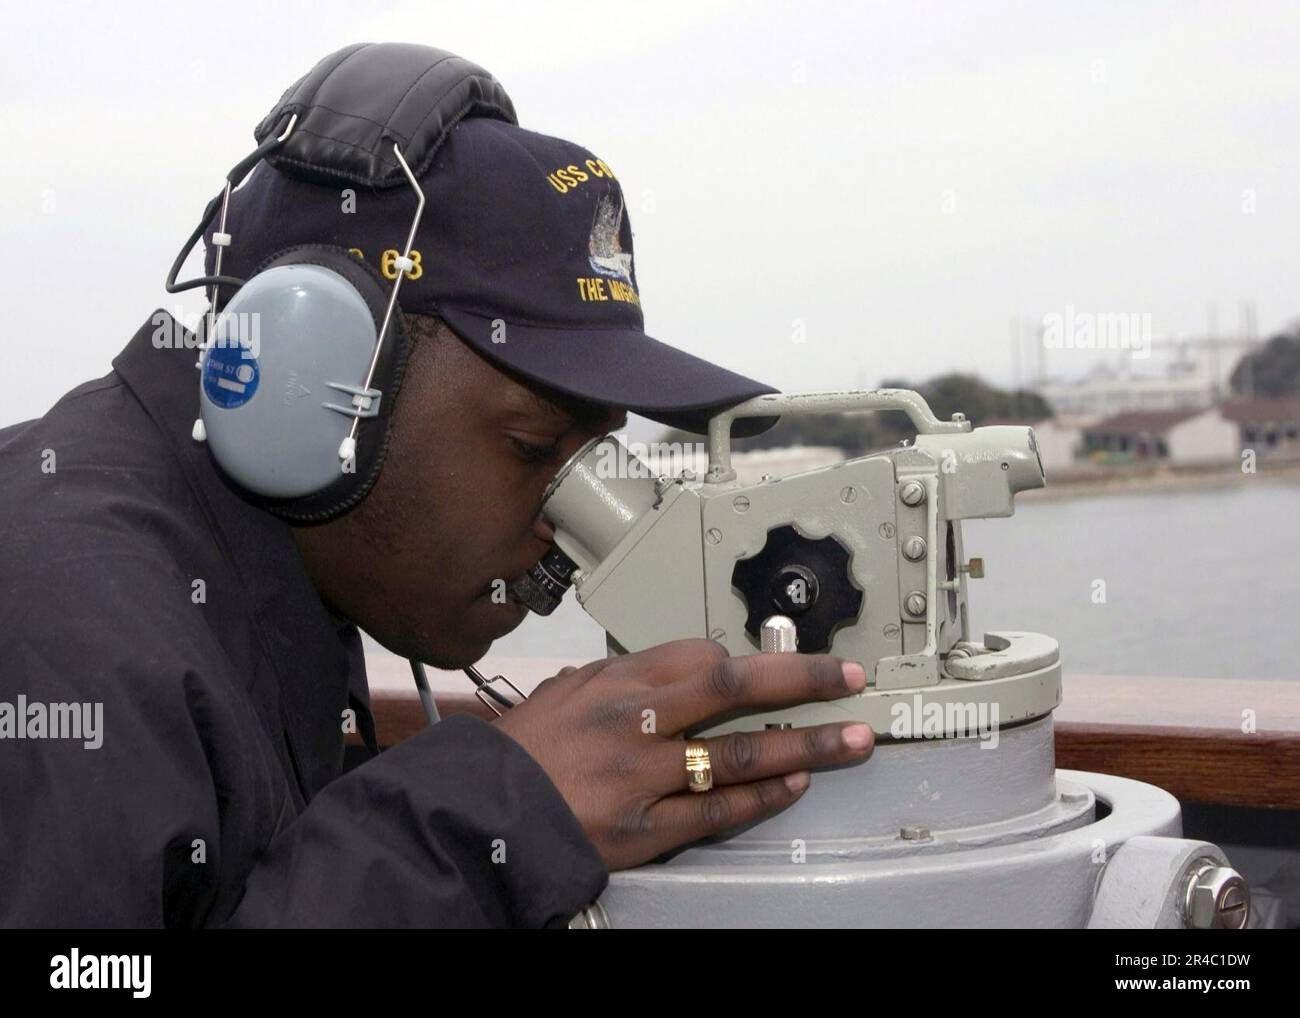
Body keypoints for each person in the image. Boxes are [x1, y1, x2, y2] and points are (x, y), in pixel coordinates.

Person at [0, 44, 874, 928]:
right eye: (536, 450)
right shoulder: (74, 631)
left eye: (599, 459)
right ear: (305, 388)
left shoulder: (251, 586)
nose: (572, 540)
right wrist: (486, 821)